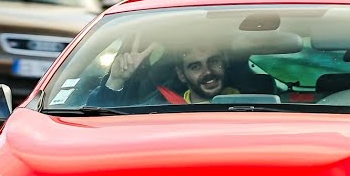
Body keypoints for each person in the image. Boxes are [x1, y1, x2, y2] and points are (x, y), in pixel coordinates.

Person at [88, 35, 238, 106]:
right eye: (195, 66)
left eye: (213, 62)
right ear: (181, 75)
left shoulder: (252, 100)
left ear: (224, 62)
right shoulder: (158, 108)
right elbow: (96, 118)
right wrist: (116, 81)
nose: (208, 72)